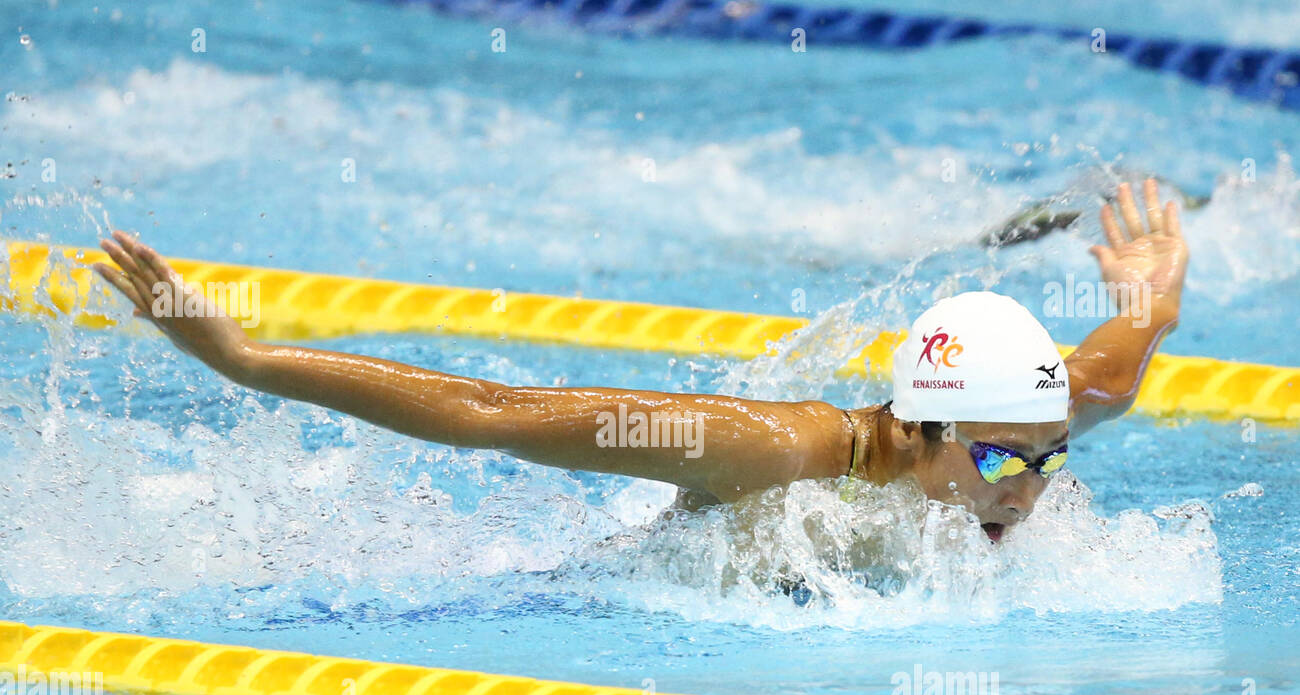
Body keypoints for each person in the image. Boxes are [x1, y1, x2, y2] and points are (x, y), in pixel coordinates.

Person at [93, 179, 1187, 545]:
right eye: (1008, 465)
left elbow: (1114, 365)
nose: (1032, 494)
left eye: (1048, 462)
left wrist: (1148, 291)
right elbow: (489, 409)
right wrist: (242, 356)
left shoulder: (1030, 416)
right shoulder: (771, 451)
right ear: (925, 426)